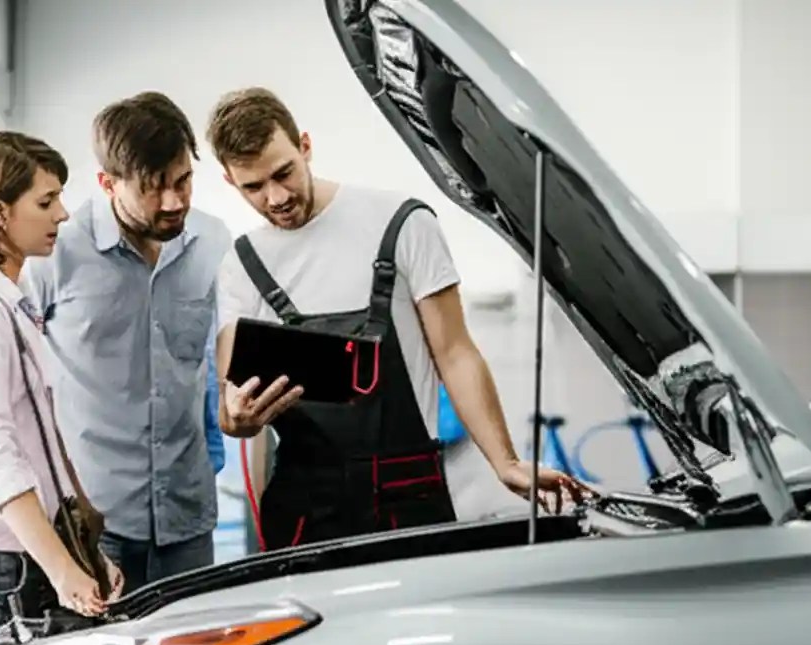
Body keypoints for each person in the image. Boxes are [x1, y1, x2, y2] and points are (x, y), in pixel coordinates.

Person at [207, 87, 586, 551]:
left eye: (284, 173)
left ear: (305, 145)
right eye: (254, 187)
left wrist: (505, 462)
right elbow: (231, 404)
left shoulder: (401, 222)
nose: (277, 196)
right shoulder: (241, 263)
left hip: (408, 493)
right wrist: (240, 421)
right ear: (230, 181)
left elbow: (455, 353)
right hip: (305, 506)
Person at [22, 91, 231, 595]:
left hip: (189, 523)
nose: (175, 201)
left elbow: (215, 363)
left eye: (183, 181)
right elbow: (19, 387)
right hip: (94, 526)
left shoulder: (213, 243)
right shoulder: (55, 252)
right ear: (107, 183)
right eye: (154, 189)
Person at [0, 131, 123, 645]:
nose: (62, 214)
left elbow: (44, 442)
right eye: (46, 200)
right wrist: (63, 571)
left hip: (24, 561)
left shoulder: (13, 300)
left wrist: (83, 553)